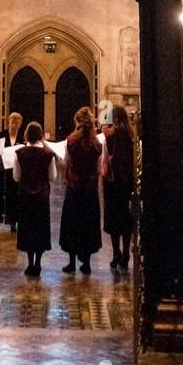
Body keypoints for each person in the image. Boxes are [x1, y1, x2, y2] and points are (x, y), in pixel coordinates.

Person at [60, 105, 105, 275]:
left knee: (72, 224)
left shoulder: (70, 141)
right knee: (88, 225)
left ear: (77, 122)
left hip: (74, 187)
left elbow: (66, 163)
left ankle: (71, 263)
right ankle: (86, 263)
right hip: (90, 189)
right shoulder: (97, 144)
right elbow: (99, 167)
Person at [13, 121, 57, 277]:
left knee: (27, 228)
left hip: (25, 194)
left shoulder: (20, 152)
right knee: (40, 228)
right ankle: (38, 262)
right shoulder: (48, 153)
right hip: (42, 196)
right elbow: (52, 176)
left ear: (26, 134)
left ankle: (30, 262)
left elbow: (16, 177)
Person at [102, 105, 135, 272]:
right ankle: (126, 253)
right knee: (126, 220)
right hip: (127, 183)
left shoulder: (116, 135)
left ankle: (116, 253)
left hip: (114, 183)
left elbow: (111, 158)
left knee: (115, 220)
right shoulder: (130, 134)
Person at [0, 110, 23, 231]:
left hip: (15, 171)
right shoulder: (1, 135)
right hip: (2, 171)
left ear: (20, 124)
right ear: (8, 122)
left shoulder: (22, 137)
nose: (14, 125)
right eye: (12, 122)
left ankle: (13, 222)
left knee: (14, 196)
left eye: (17, 123)